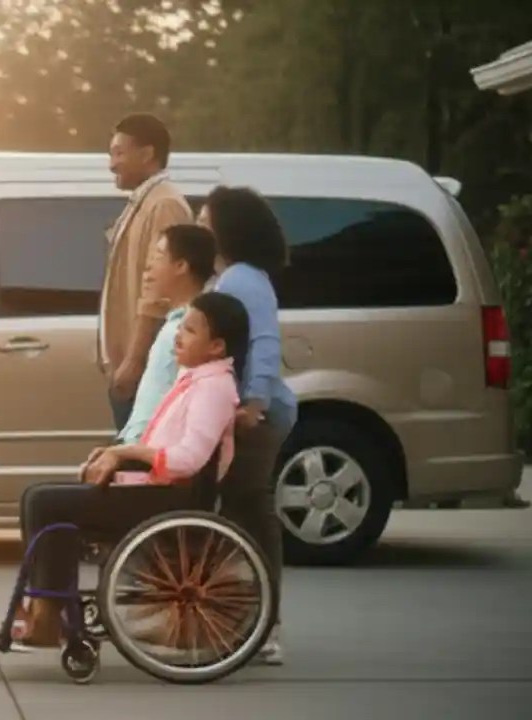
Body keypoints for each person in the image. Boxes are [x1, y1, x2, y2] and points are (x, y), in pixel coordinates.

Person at [0, 291, 249, 649]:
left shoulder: (213, 388)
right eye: (181, 326)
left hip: (168, 499)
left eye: (191, 330)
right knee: (36, 497)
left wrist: (125, 453)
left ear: (216, 346)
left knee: (46, 503)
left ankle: (47, 619)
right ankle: (43, 610)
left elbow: (188, 459)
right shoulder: (196, 380)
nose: (179, 334)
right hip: (157, 489)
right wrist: (116, 455)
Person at [198, 185, 299, 666]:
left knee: (252, 517)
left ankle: (265, 626)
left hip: (257, 415)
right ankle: (249, 620)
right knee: (241, 515)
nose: (199, 222)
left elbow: (263, 344)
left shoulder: (243, 278)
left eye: (205, 217)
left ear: (226, 228)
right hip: (242, 412)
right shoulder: (233, 277)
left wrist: (254, 404)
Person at [100, 113, 194, 430]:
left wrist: (135, 359)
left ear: (147, 153)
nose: (112, 164)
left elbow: (160, 291)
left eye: (119, 153)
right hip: (130, 363)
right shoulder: (144, 202)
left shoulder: (164, 205)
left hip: (145, 367)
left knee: (141, 468)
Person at [116, 224, 217, 445]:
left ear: (181, 266)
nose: (148, 268)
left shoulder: (187, 330)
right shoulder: (176, 322)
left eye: (158, 257)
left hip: (150, 449)